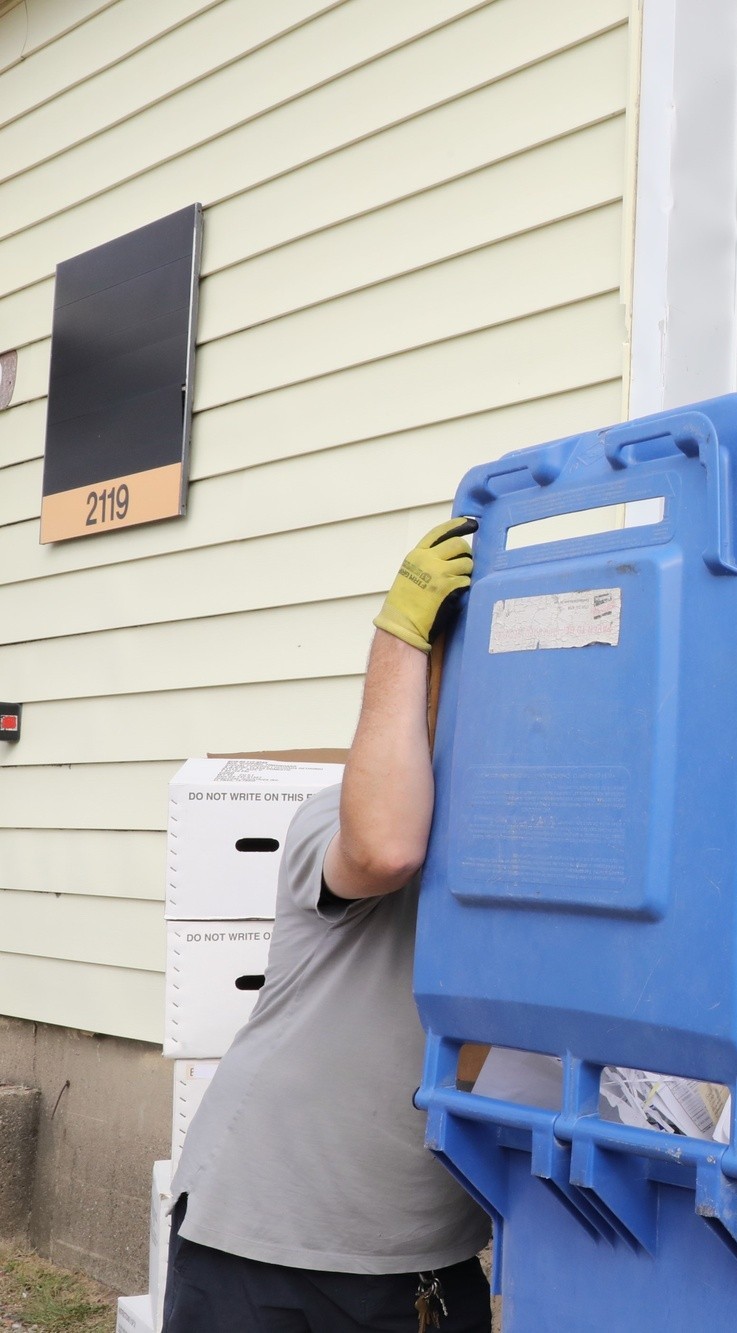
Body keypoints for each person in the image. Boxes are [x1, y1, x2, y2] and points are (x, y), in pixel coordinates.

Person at [165, 519, 492, 1332]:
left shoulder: (553, 841)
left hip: (424, 1260)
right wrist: (399, 635)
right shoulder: (332, 817)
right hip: (263, 1244)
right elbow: (383, 848)